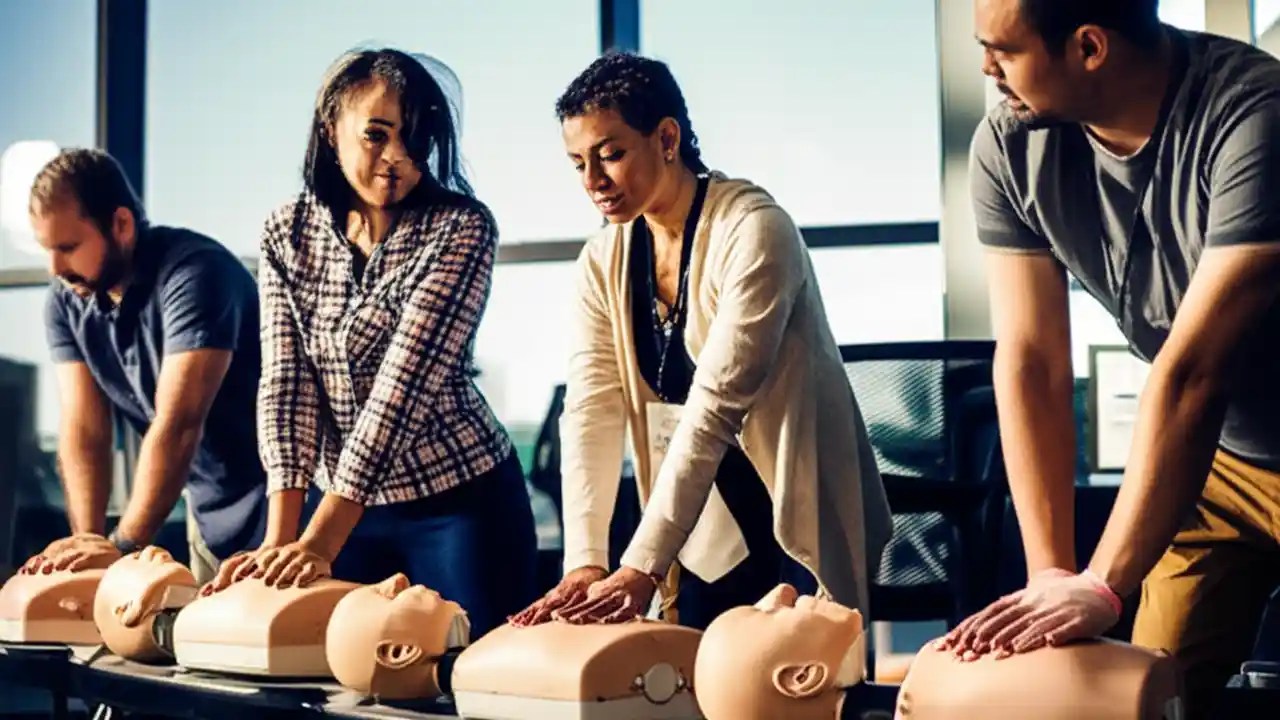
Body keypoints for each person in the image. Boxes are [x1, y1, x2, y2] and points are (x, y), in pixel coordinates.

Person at [940, 0, 1280, 714]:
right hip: (1226, 466)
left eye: (1003, 49)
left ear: (1089, 47)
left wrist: (1103, 584)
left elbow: (1193, 376)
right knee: (1144, 691)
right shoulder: (1010, 147)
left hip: (1210, 412)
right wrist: (1051, 580)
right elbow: (1033, 361)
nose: (985, 68)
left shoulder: (1254, 116)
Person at [510, 52, 891, 630]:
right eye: (577, 163)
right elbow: (591, 410)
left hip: (785, 505)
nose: (593, 182)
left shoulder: (754, 229)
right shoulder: (602, 259)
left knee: (792, 683)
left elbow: (714, 409)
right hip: (698, 513)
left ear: (667, 138)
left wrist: (639, 565)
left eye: (610, 155)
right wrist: (585, 562)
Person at [206, 48, 536, 639]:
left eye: (413, 140)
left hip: (458, 504)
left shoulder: (462, 228)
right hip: (340, 512)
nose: (397, 160)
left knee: (469, 673)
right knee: (342, 680)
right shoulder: (287, 232)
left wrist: (318, 543)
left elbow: (400, 391)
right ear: (331, 130)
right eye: (377, 136)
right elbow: (286, 381)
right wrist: (280, 543)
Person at [22, 148, 267, 585]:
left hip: (284, 505)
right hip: (208, 514)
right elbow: (84, 430)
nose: (56, 268)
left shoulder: (196, 273)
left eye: (69, 247)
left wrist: (121, 547)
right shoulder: (66, 301)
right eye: (48, 250)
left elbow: (178, 426)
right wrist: (88, 545)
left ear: (121, 225)